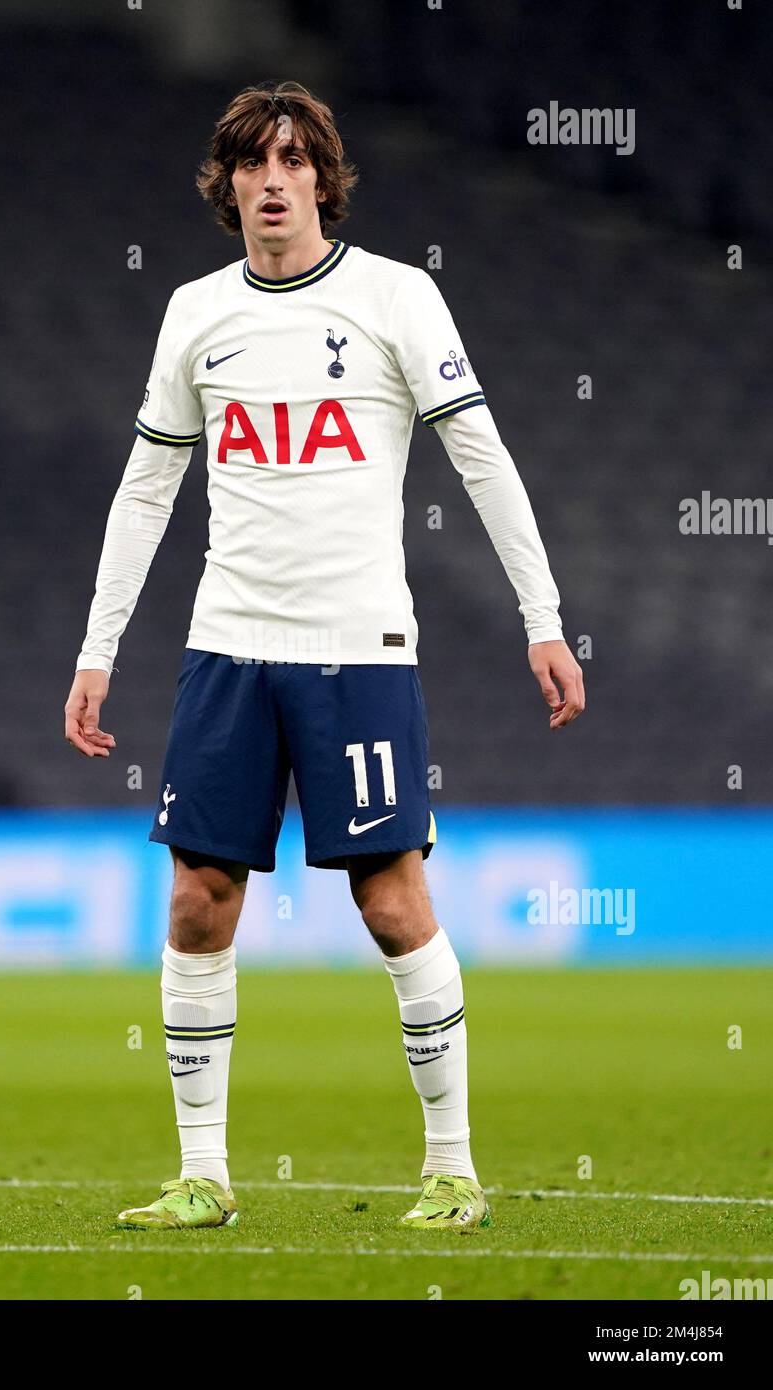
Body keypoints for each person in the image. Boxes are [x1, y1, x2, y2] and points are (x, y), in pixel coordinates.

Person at [64, 80, 585, 1233]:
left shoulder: (399, 298)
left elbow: (484, 460)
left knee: (392, 899)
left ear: (323, 178)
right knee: (199, 899)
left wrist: (541, 617)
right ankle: (205, 1174)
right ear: (229, 186)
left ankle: (452, 1169)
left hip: (359, 648)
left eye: (291, 160)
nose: (270, 181)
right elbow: (147, 488)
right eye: (250, 163)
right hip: (228, 648)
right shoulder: (197, 314)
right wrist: (97, 648)